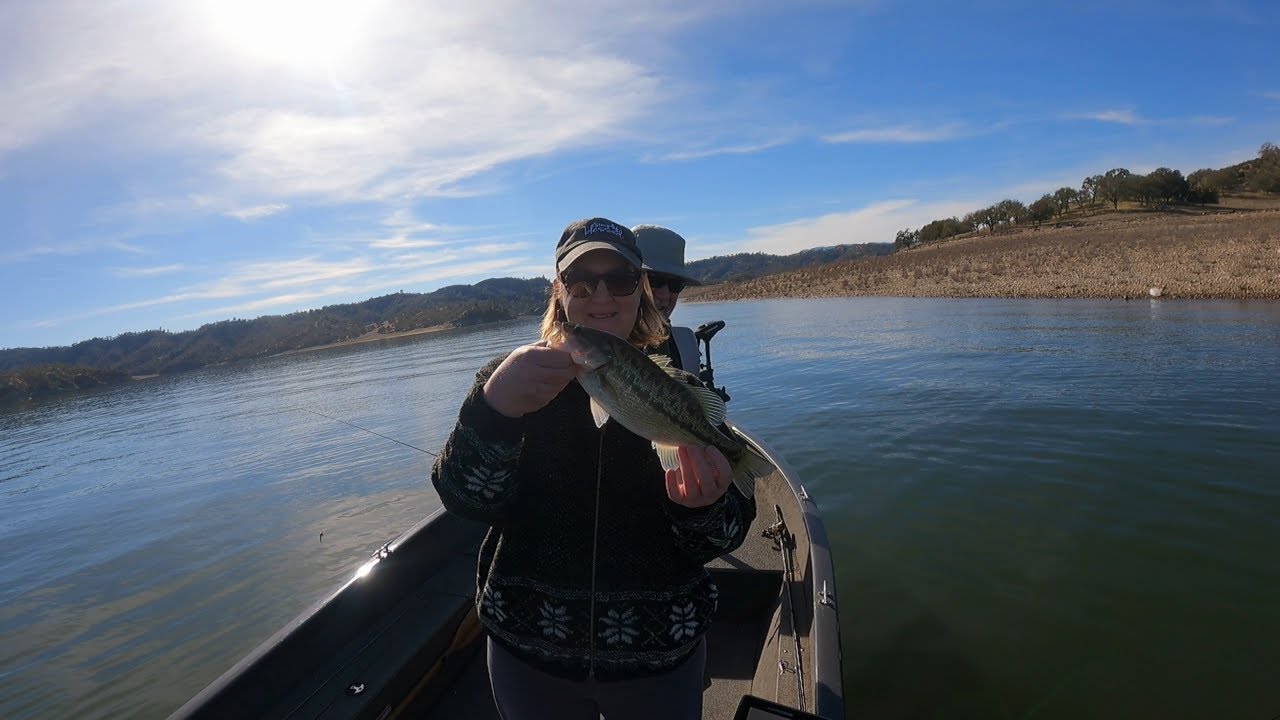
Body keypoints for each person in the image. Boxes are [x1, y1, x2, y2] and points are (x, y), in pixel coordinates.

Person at [431, 217, 756, 720]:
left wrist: (703, 510)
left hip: (657, 659)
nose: (601, 295)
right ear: (559, 293)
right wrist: (492, 411)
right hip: (529, 653)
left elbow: (726, 534)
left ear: (640, 291)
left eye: (620, 280)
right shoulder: (511, 380)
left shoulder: (681, 391)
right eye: (582, 281)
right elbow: (465, 499)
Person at [631, 225, 703, 373]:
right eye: (654, 280)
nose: (664, 295)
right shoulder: (600, 346)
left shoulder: (684, 343)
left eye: (675, 284)